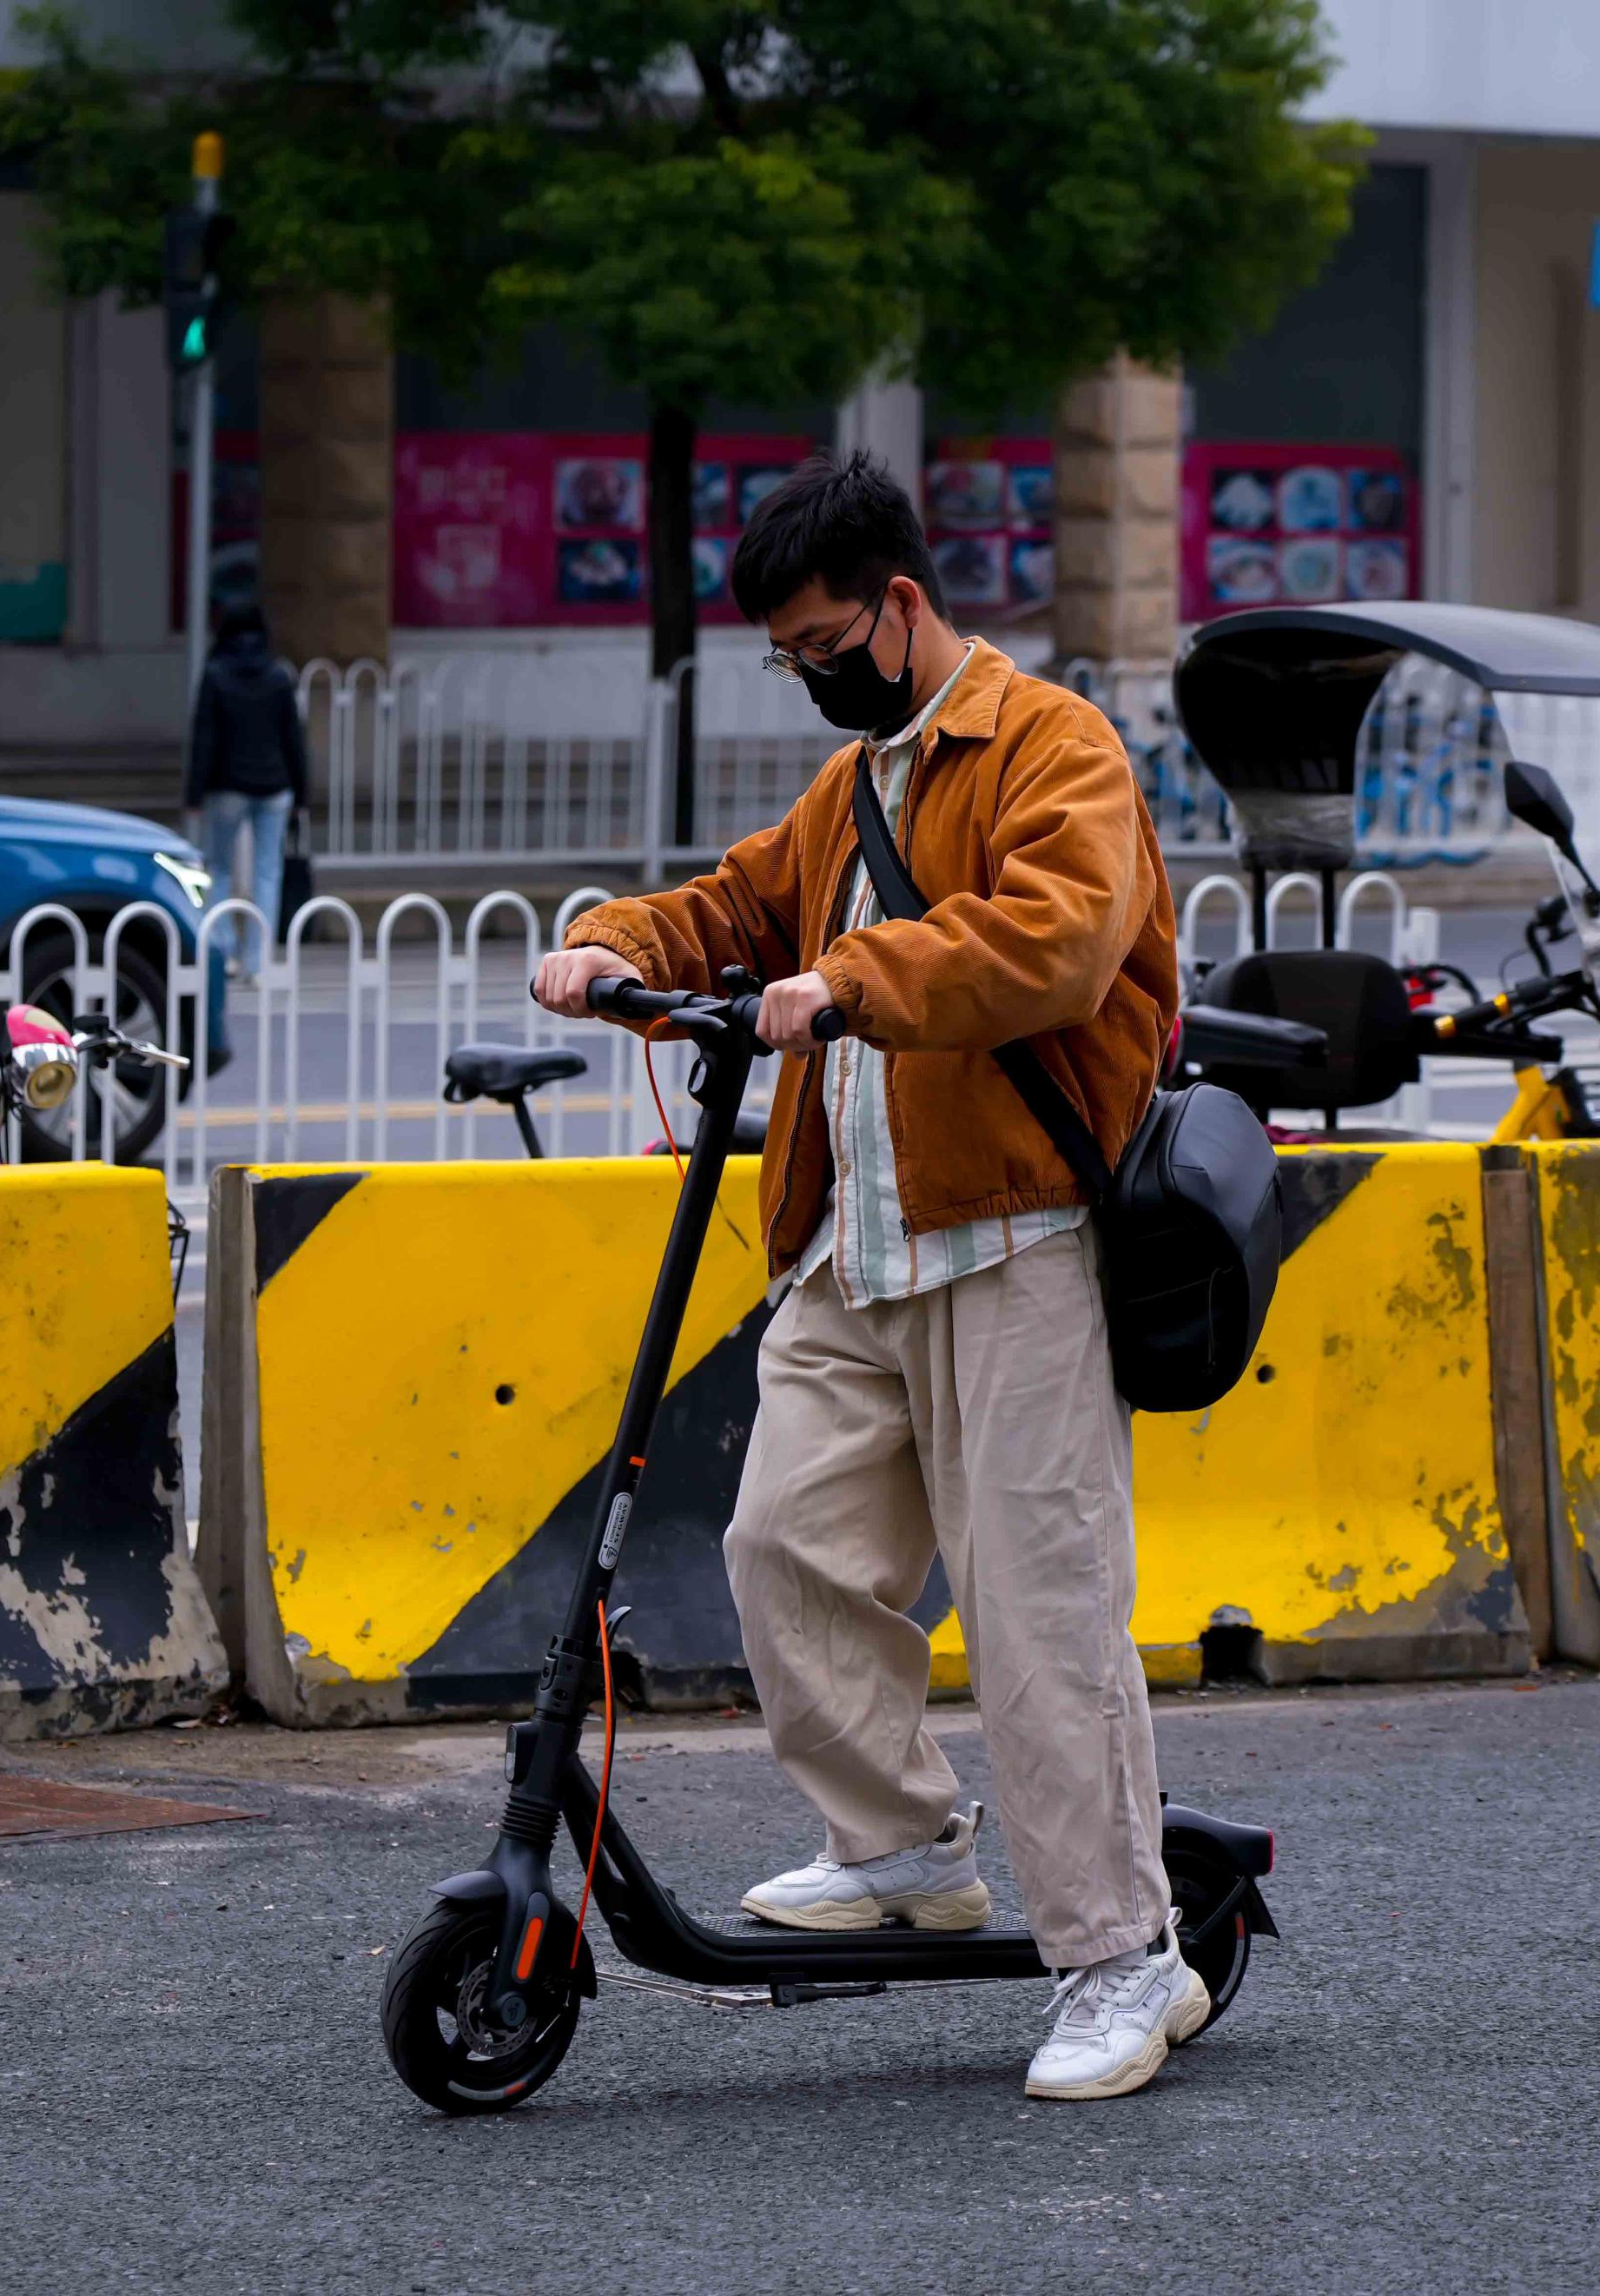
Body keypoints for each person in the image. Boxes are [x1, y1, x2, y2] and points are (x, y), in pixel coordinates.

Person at [531, 453, 1189, 2102]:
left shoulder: (1054, 749)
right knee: (781, 1547)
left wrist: (853, 979)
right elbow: (736, 906)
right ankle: (902, 1841)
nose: (812, 669)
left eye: (827, 636)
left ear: (902, 607)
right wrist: (612, 943)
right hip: (852, 1240)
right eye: (787, 652)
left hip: (1015, 1237)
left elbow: (1056, 934)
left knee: (1039, 1621)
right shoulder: (853, 794)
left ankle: (1126, 1957)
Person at [184, 600, 307, 976]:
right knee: (268, 873)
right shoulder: (277, 675)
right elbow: (293, 739)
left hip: (228, 787)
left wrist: (194, 793)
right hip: (275, 786)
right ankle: (258, 960)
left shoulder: (216, 673)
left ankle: (226, 952)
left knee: (218, 870)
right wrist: (302, 792)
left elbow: (204, 737)